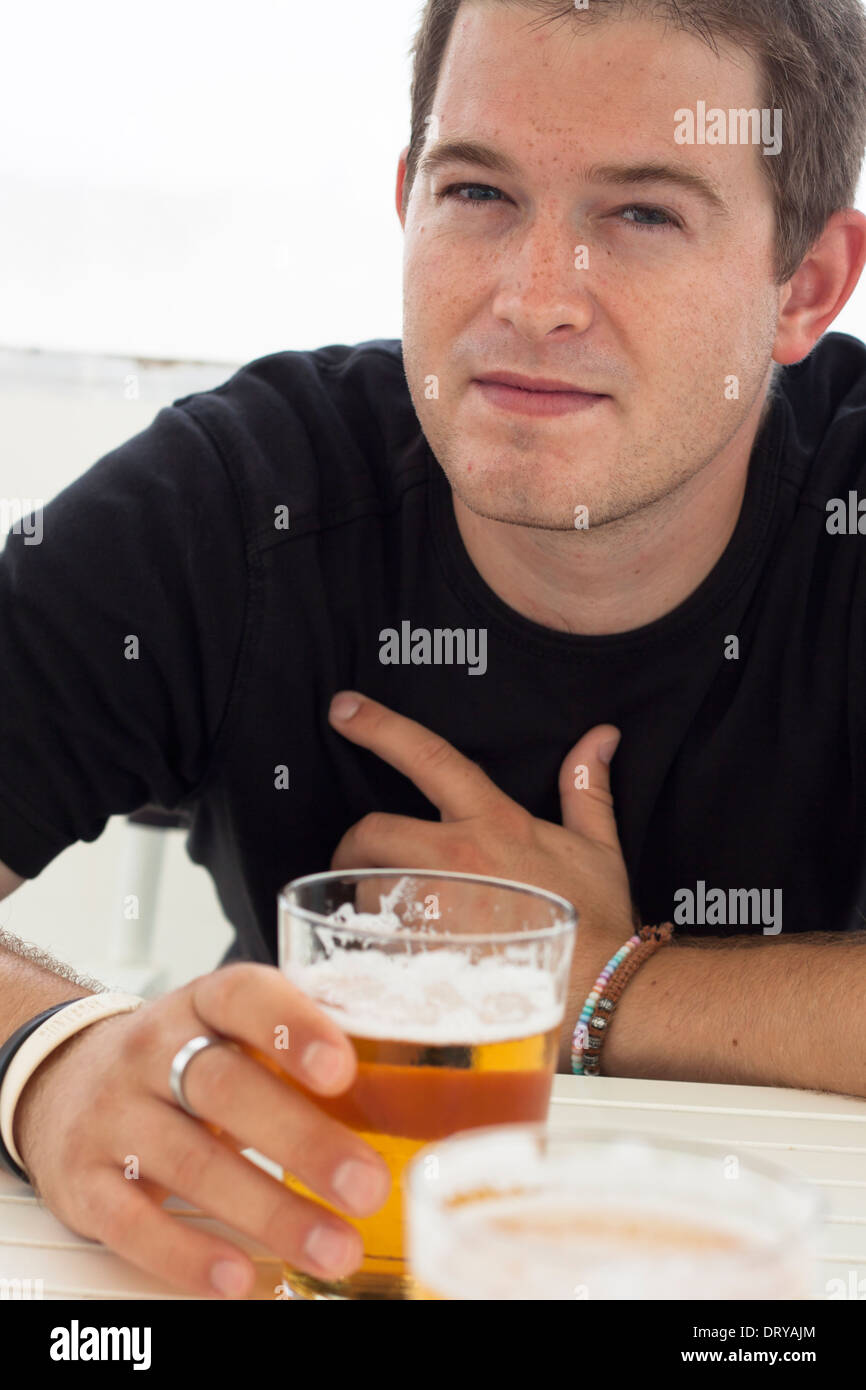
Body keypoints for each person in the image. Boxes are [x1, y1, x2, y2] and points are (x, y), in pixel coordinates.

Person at [1, 0, 866, 1300]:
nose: (532, 297)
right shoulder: (239, 500)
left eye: (641, 212)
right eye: (478, 191)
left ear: (799, 285)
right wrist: (49, 1057)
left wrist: (606, 982)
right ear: (406, 201)